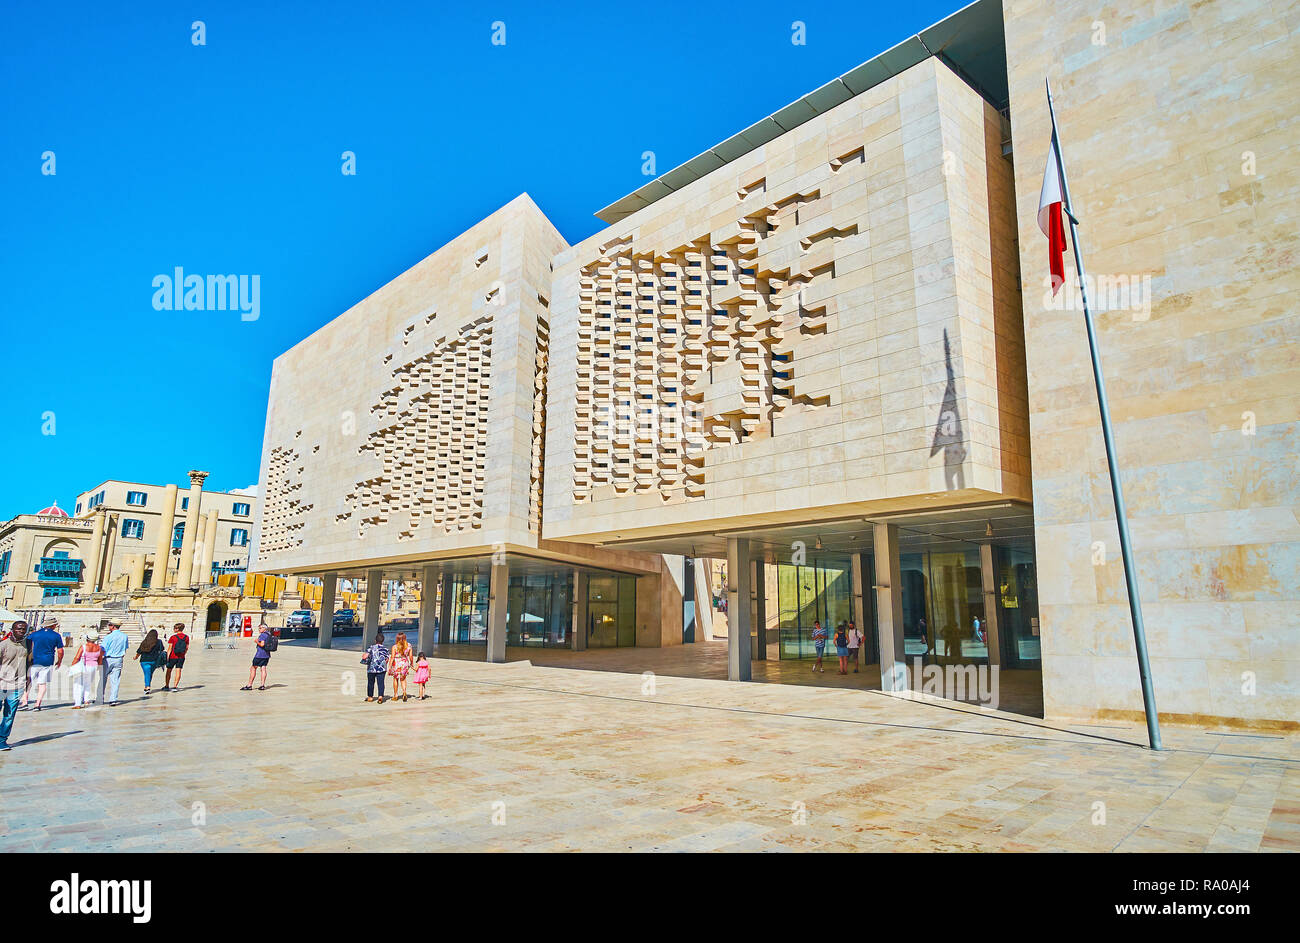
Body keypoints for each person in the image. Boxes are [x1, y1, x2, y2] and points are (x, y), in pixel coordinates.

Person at [20, 617, 64, 711]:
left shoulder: (34, 634)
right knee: (42, 683)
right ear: (53, 625)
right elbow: (60, 651)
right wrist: (59, 661)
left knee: (28, 681)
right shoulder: (56, 636)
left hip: (33, 661)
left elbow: (26, 646)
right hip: (47, 661)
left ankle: (24, 702)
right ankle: (37, 704)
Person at [0, 621, 31, 750]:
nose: (21, 631)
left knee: (9, 714)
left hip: (17, 685)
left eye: (24, 629)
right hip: (1, 683)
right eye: (19, 629)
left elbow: (30, 661)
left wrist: (28, 678)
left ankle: (2, 740)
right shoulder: (3, 645)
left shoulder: (28, 644)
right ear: (12, 630)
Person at [99, 618, 129, 706]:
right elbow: (125, 648)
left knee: (102, 679)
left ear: (113, 626)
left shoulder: (108, 637)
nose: (108, 626)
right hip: (119, 659)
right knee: (115, 680)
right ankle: (113, 699)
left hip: (108, 659)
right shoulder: (124, 636)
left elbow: (103, 649)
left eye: (109, 625)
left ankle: (100, 697)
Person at [69, 631, 103, 709]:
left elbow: (77, 658)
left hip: (84, 667)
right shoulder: (99, 648)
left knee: (79, 685)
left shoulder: (83, 647)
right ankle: (86, 700)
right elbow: (100, 660)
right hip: (93, 666)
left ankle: (78, 703)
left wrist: (72, 666)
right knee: (88, 684)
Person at [241, 623, 275, 690]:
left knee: (253, 668)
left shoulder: (262, 635)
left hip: (260, 655)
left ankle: (249, 685)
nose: (259, 629)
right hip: (267, 655)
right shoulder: (269, 634)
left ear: (264, 628)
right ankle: (262, 685)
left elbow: (262, 645)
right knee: (263, 668)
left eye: (260, 628)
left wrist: (257, 642)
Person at [134, 629, 166, 694]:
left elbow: (139, 651)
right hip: (154, 660)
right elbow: (162, 649)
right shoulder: (159, 642)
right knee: (149, 673)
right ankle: (147, 686)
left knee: (147, 673)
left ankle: (147, 686)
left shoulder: (144, 642)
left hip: (144, 661)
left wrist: (136, 657)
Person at [361, 633, 389, 703]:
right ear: (383, 641)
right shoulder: (385, 649)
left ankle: (370, 697)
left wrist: (365, 655)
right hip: (381, 668)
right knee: (381, 683)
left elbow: (364, 657)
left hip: (371, 668)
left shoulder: (371, 648)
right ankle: (380, 696)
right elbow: (387, 660)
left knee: (371, 683)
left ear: (375, 640)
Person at [163, 622, 190, 691]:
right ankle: (175, 686)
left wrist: (167, 657)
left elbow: (170, 648)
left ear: (177, 629)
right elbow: (187, 647)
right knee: (178, 671)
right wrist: (183, 654)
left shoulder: (173, 637)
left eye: (174, 628)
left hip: (172, 656)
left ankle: (167, 686)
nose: (173, 629)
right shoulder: (186, 637)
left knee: (169, 671)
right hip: (181, 657)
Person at [389, 632, 413, 702]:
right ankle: (404, 692)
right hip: (405, 662)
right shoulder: (409, 646)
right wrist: (411, 663)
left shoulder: (394, 647)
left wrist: (390, 666)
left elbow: (392, 657)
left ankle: (395, 695)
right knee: (403, 679)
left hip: (396, 663)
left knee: (395, 679)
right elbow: (410, 656)